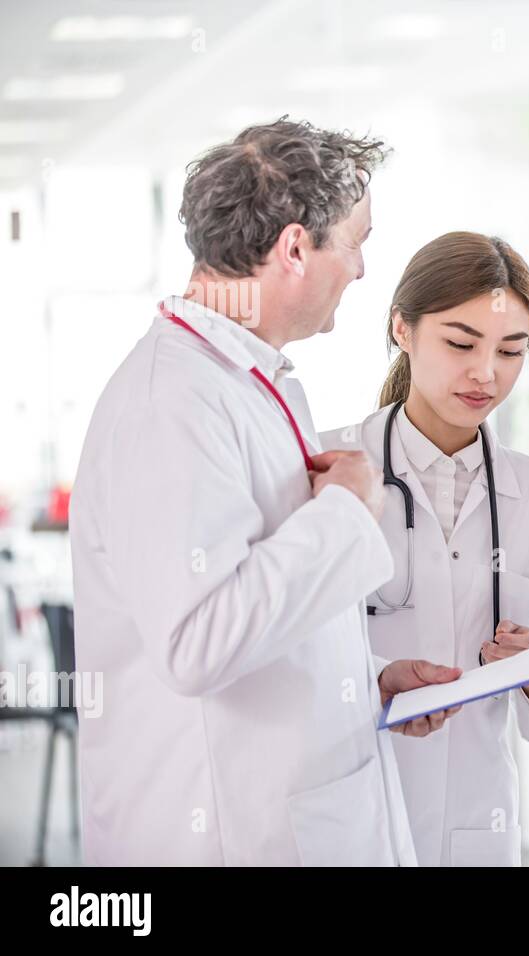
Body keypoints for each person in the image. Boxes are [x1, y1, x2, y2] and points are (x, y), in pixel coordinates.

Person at [70, 119, 456, 866]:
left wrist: (362, 681)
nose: (365, 268)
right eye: (356, 240)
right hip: (226, 833)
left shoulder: (240, 378)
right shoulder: (171, 404)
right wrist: (348, 509)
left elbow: (253, 604)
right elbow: (197, 643)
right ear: (293, 249)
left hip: (291, 807)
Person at [321, 232, 529, 866]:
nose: (486, 373)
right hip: (348, 811)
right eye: (460, 342)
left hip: (477, 828)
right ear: (402, 327)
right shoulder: (325, 466)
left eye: (510, 351)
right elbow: (278, 653)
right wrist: (373, 681)